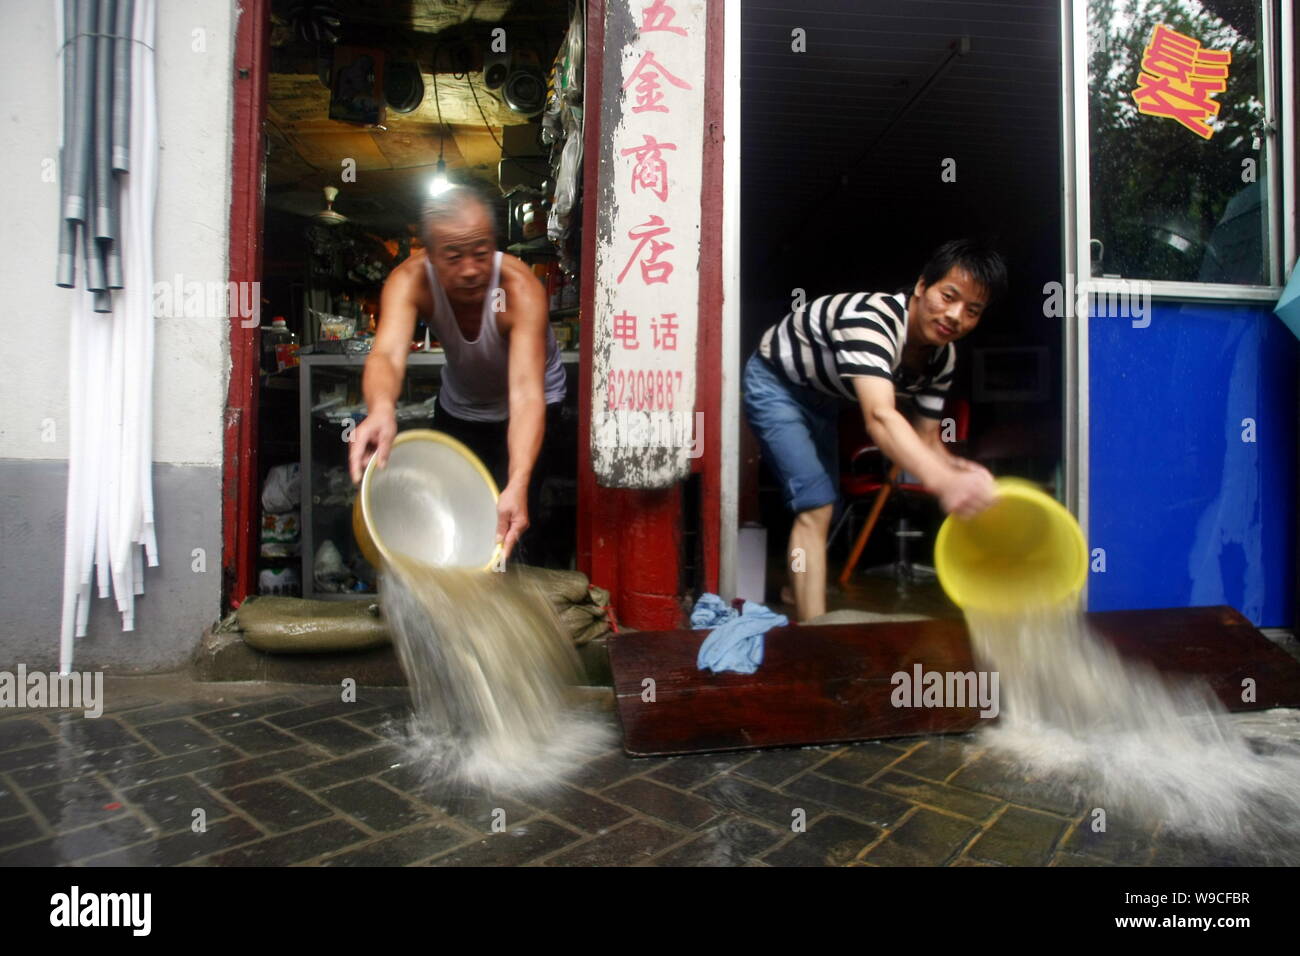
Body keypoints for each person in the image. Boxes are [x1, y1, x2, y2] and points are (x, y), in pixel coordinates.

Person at [743, 238, 1006, 622]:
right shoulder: (872, 319)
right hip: (776, 384)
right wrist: (944, 482)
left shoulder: (942, 358)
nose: (955, 315)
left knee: (827, 508)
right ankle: (815, 632)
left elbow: (929, 439)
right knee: (816, 504)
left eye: (973, 310)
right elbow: (880, 417)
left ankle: (794, 583)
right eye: (948, 296)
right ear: (921, 287)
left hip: (825, 400)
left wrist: (960, 470)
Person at [348, 185, 567, 563]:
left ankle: (508, 605)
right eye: (453, 257)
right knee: (449, 511)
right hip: (461, 406)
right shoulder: (410, 281)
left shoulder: (519, 290)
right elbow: (386, 353)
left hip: (533, 405)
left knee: (510, 523)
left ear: (494, 245)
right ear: (430, 255)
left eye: (481, 254)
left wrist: (517, 481)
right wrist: (381, 408)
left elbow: (525, 394)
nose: (470, 270)